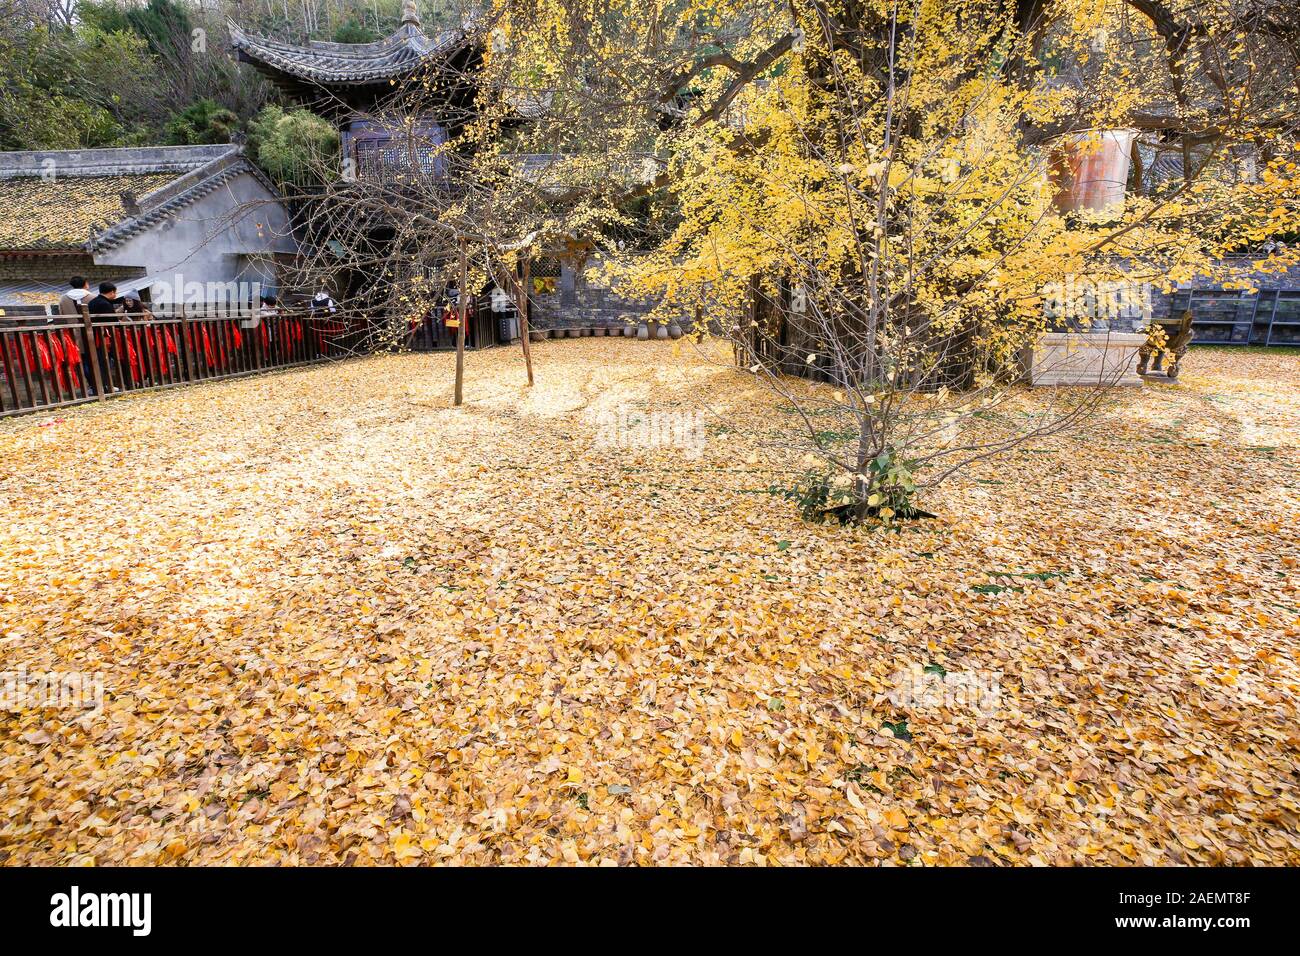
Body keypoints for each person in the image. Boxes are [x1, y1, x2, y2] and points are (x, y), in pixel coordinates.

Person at [86, 282, 121, 391]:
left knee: (98, 361)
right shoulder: (105, 304)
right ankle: (106, 385)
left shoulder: (92, 302)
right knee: (105, 361)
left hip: (93, 335)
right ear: (112, 292)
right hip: (103, 336)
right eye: (115, 292)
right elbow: (112, 321)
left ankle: (99, 386)